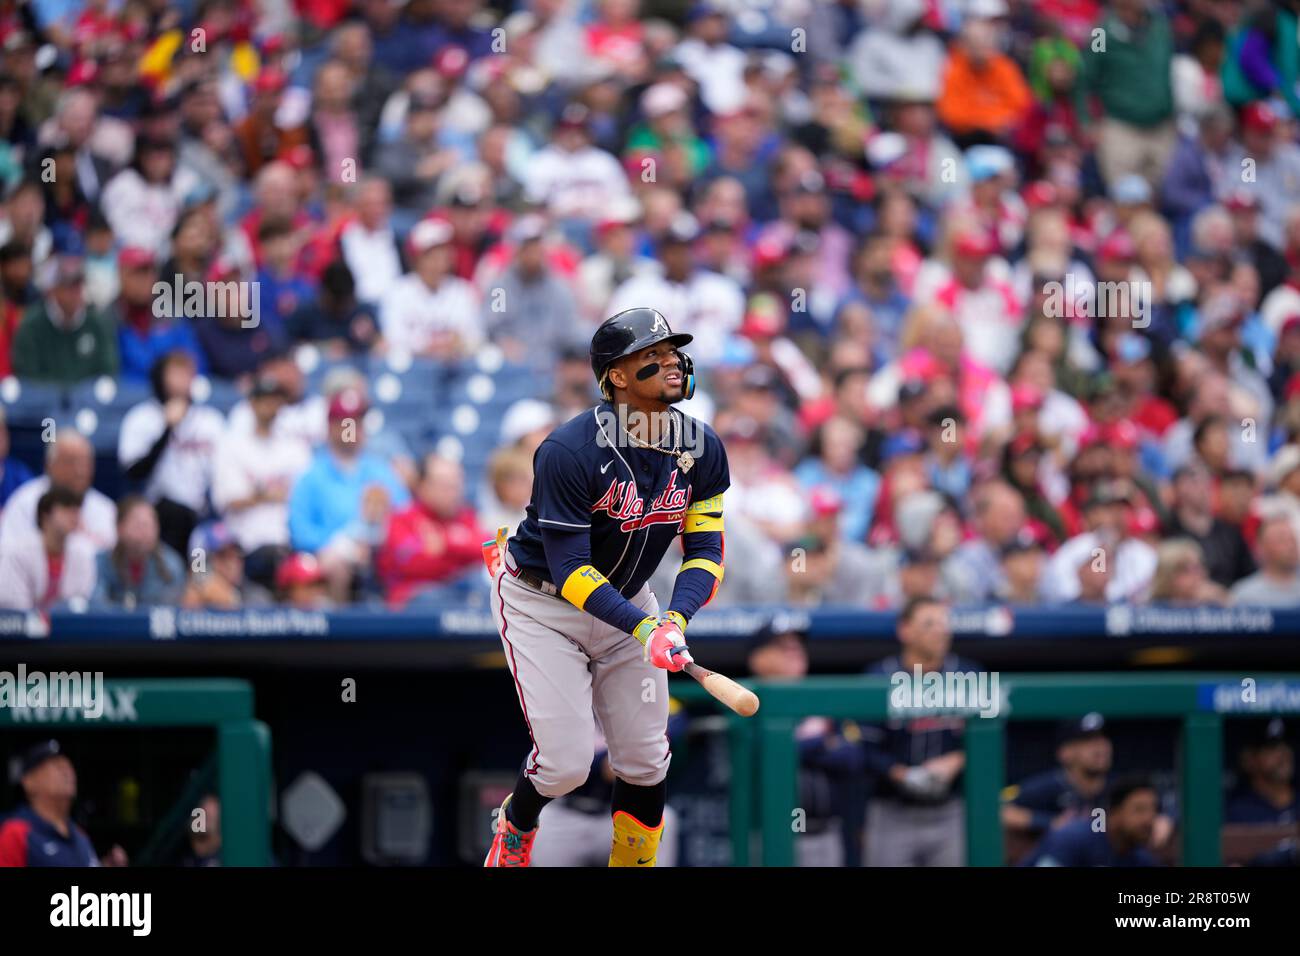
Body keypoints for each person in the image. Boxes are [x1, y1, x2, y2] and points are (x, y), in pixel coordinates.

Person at [484, 308, 728, 867]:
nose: (671, 364)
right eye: (653, 356)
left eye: (673, 354)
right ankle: (516, 822)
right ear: (616, 375)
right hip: (544, 602)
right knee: (567, 764)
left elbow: (707, 551)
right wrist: (646, 627)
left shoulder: (703, 447)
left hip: (632, 600)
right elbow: (572, 573)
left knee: (646, 761)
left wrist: (674, 620)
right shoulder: (569, 450)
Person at [860, 596, 977, 867]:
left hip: (951, 811)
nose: (940, 631)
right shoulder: (879, 676)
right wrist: (902, 773)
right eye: (929, 624)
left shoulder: (969, 675)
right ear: (905, 631)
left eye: (944, 624)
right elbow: (862, 748)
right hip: (892, 811)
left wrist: (957, 760)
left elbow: (993, 741)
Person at [287, 388, 410, 602]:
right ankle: (337, 630)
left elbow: (405, 517)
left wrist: (374, 541)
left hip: (379, 554)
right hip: (332, 560)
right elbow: (299, 531)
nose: (351, 429)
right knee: (336, 563)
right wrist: (338, 544)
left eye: (356, 422)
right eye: (344, 423)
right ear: (330, 427)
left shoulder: (381, 471)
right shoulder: (311, 476)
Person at [118, 350, 224, 557]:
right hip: (158, 511)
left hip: (202, 512)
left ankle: (201, 582)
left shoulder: (211, 420)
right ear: (160, 377)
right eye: (175, 374)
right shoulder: (141, 418)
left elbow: (224, 472)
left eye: (187, 374)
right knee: (175, 514)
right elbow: (134, 472)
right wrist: (167, 430)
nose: (183, 381)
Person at [211, 375, 312, 589]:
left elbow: (305, 496)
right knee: (200, 555)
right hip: (241, 543)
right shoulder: (231, 444)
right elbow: (228, 499)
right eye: (264, 398)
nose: (269, 405)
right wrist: (268, 494)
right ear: (251, 403)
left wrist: (256, 494)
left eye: (275, 399)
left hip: (289, 541)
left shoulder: (295, 447)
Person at [376, 453, 486, 607]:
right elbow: (412, 566)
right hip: (412, 606)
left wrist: (446, 542)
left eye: (456, 485)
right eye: (445, 486)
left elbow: (489, 553)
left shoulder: (467, 518)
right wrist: (462, 558)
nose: (453, 493)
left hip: (460, 596)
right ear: (422, 487)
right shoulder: (402, 518)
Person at [1002, 713, 1113, 863]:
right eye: (1087, 740)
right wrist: (1049, 823)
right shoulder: (1049, 786)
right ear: (1065, 753)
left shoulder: (1119, 788)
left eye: (1102, 738)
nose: (1100, 747)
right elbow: (1003, 813)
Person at [0, 740, 127, 867]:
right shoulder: (15, 833)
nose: (66, 771)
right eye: (56, 766)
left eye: (68, 765)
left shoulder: (80, 834)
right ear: (29, 782)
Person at [0, 431, 116, 552]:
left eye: (86, 463)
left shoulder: (105, 509)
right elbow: (9, 555)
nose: (80, 471)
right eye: (71, 462)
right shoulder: (24, 503)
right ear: (49, 464)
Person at [1022, 775, 1161, 867]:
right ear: (1114, 813)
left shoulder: (1138, 857)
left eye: (1153, 810)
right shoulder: (1074, 838)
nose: (1149, 819)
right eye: (1139, 810)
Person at [0, 485, 96, 610]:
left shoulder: (82, 557)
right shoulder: (18, 554)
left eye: (77, 510)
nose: (74, 516)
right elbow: (12, 607)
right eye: (66, 509)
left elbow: (80, 605)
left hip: (67, 627)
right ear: (45, 515)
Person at [91, 496, 186, 609]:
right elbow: (96, 607)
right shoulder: (102, 562)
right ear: (119, 528)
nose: (145, 532)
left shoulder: (171, 565)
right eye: (138, 525)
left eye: (150, 525)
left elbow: (174, 609)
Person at [1226, 719, 1297, 825]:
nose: (1283, 753)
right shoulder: (1237, 813)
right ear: (1249, 759)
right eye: (1272, 747)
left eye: (1287, 745)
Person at [1231, 514, 1300, 606]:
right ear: (1261, 548)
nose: (1291, 546)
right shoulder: (1245, 596)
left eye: (1292, 539)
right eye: (1282, 540)